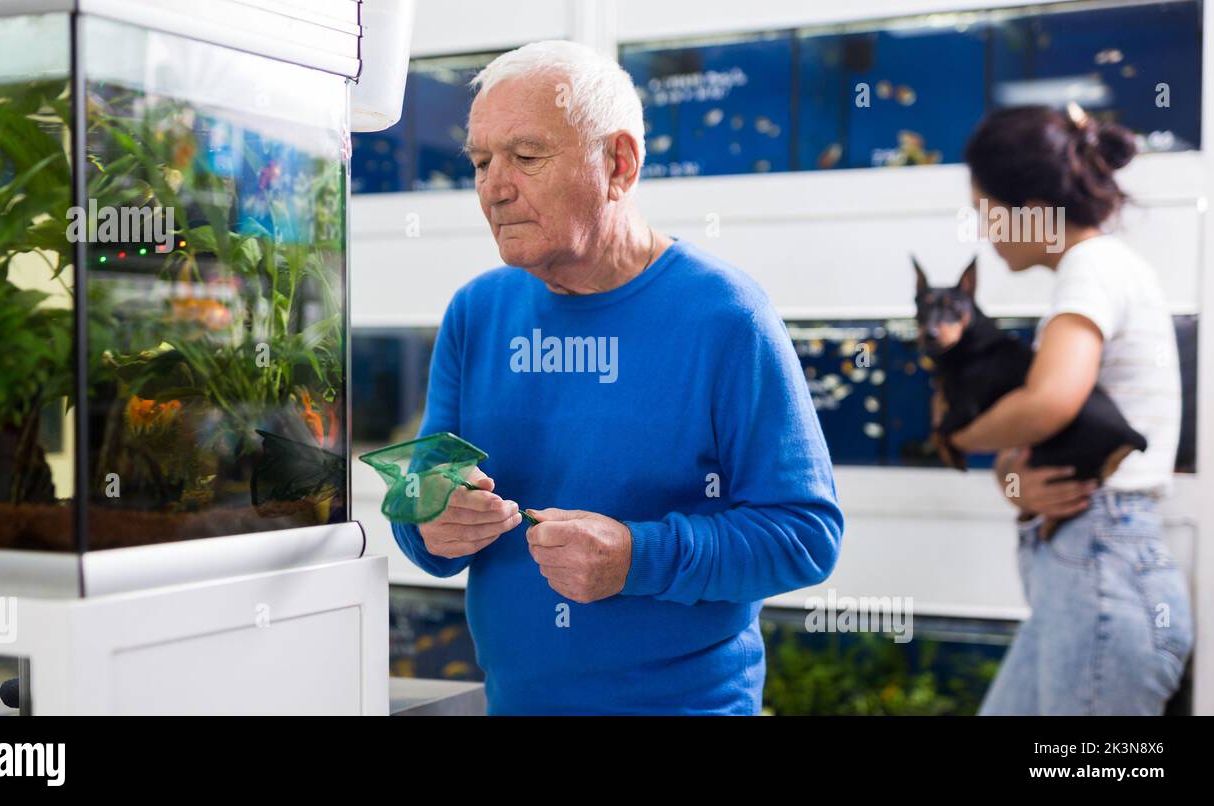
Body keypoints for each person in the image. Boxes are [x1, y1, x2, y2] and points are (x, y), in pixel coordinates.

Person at [389, 40, 843, 715]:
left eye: (526, 157)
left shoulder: (726, 316)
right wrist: (429, 520)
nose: (494, 187)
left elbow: (806, 533)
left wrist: (639, 556)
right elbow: (415, 494)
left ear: (619, 164)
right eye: (481, 161)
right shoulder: (475, 313)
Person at [951, 104, 1193, 715]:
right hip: (1091, 579)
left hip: (1104, 578)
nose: (983, 231)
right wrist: (1013, 479)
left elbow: (1049, 402)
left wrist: (958, 440)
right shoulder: (1101, 270)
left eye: (986, 211)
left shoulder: (1092, 269)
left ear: (1031, 211)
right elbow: (1030, 456)